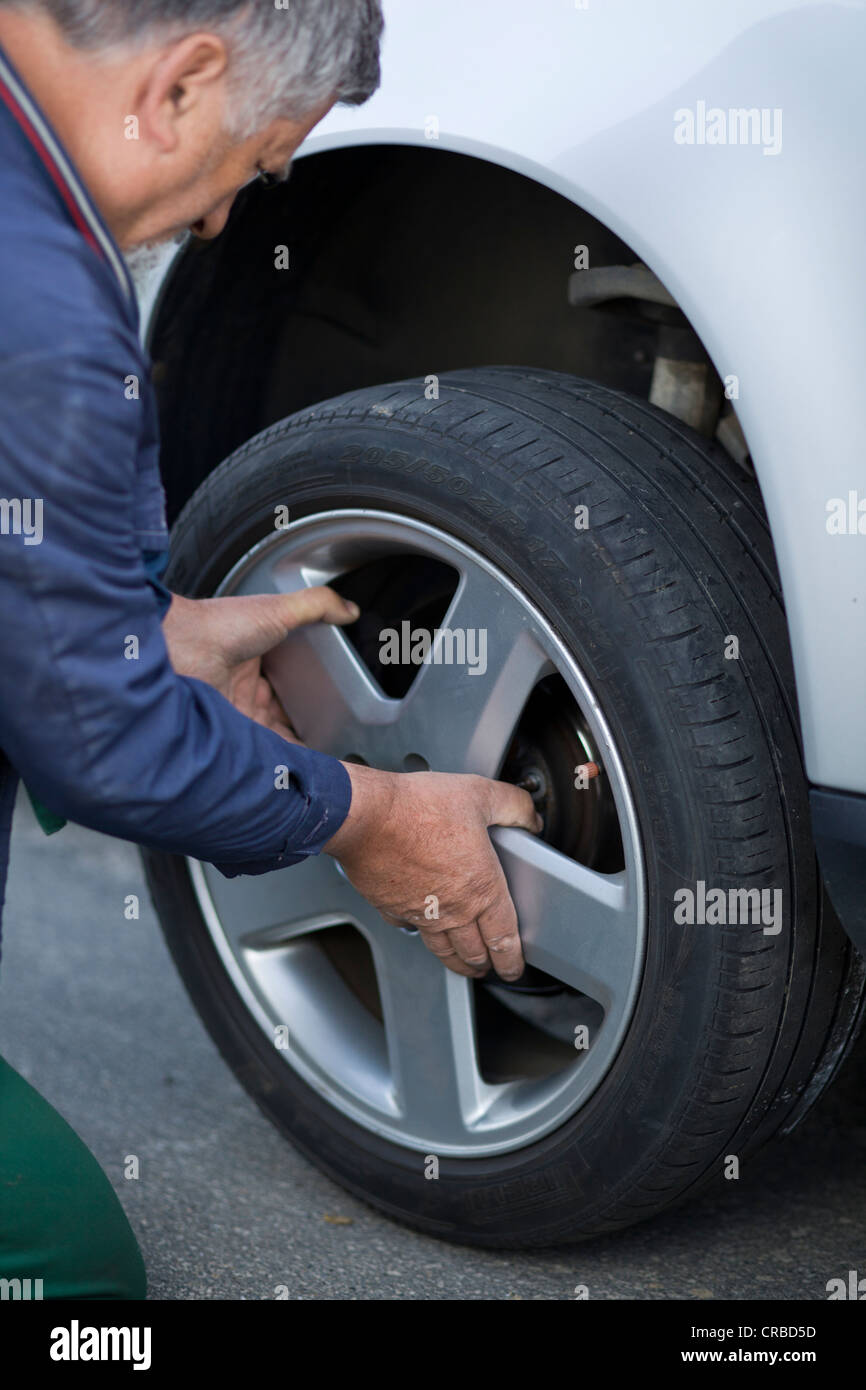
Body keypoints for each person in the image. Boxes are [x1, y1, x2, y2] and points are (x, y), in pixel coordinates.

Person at [0, 0, 539, 1299]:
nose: (225, 222)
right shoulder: (45, 330)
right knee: (73, 1276)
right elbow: (104, 742)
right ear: (180, 86)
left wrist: (148, 632)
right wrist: (367, 814)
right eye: (253, 170)